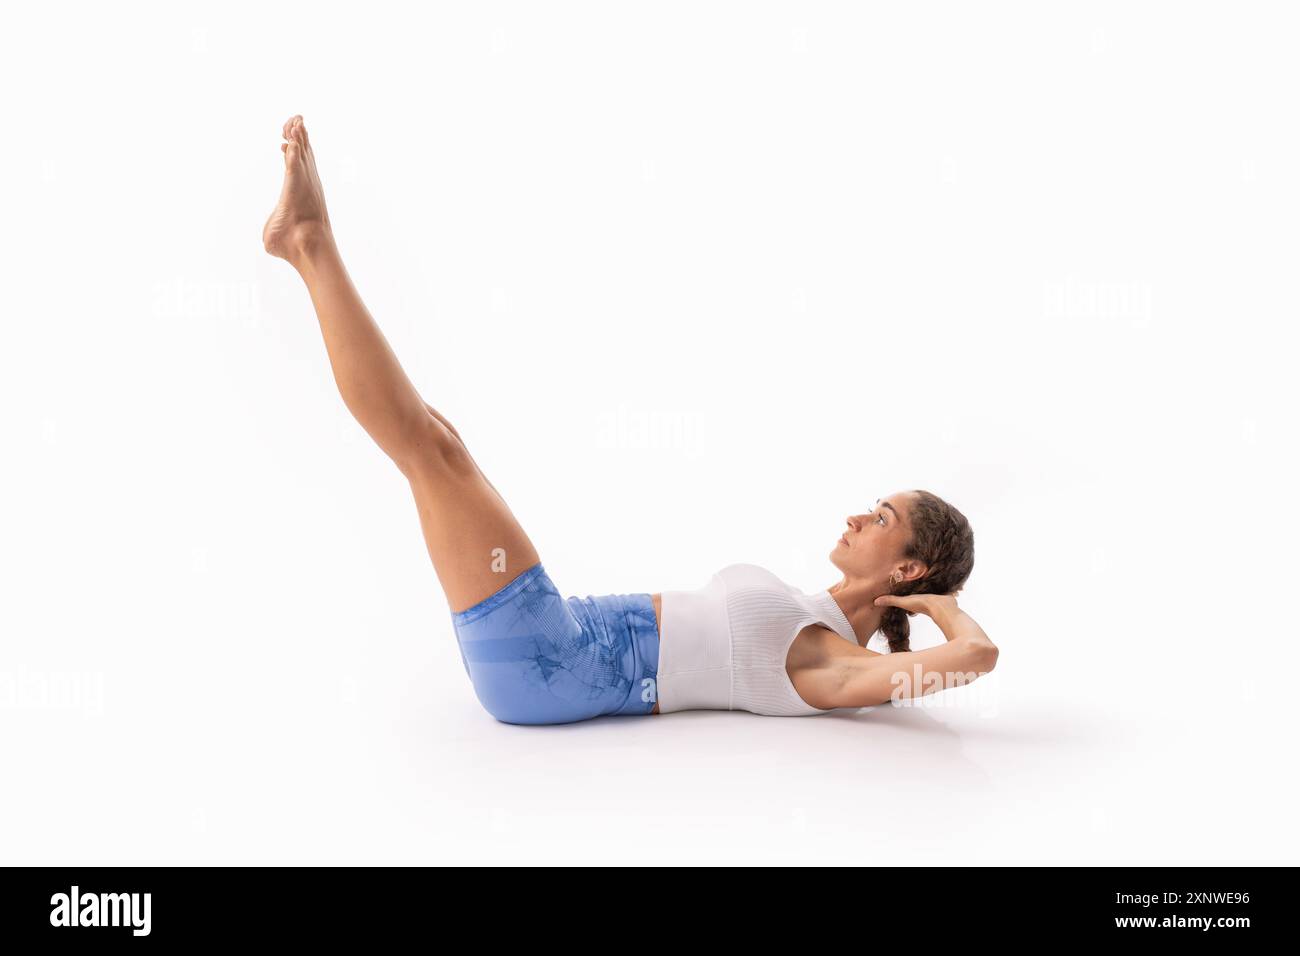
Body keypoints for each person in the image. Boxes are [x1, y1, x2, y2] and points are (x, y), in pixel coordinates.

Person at [263, 116, 999, 726]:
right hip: (564, 635)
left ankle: (308, 243)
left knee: (432, 453)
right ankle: (305, 243)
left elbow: (975, 659)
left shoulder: (836, 664)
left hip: (554, 664)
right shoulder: (814, 611)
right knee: (438, 437)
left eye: (880, 517)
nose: (858, 517)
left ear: (908, 566)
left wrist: (940, 608)